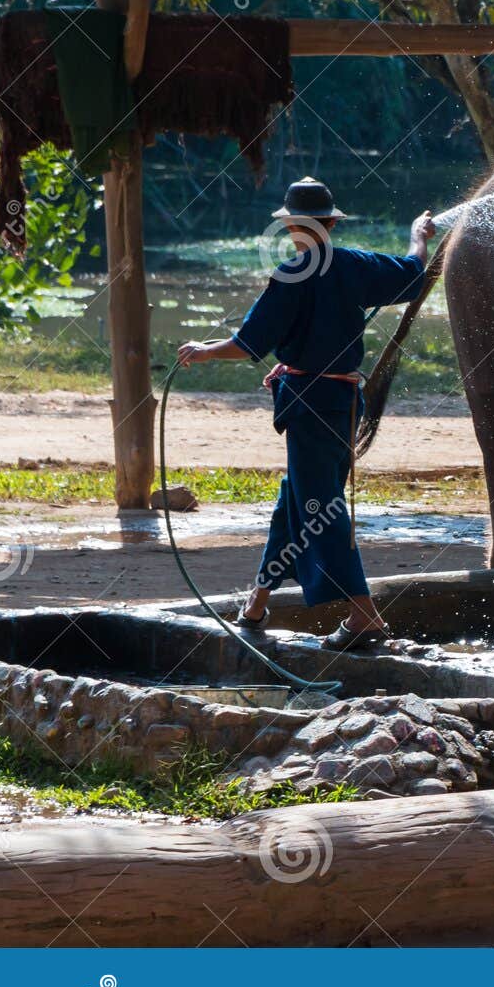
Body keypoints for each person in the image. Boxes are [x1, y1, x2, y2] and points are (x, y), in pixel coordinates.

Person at [177, 177, 438, 651]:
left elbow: (247, 344)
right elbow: (412, 274)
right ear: (332, 223)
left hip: (308, 406)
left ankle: (363, 616)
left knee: (319, 509)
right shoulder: (357, 264)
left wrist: (201, 351)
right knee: (296, 500)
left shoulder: (289, 275)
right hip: (341, 405)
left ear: (293, 227)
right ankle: (257, 602)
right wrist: (419, 235)